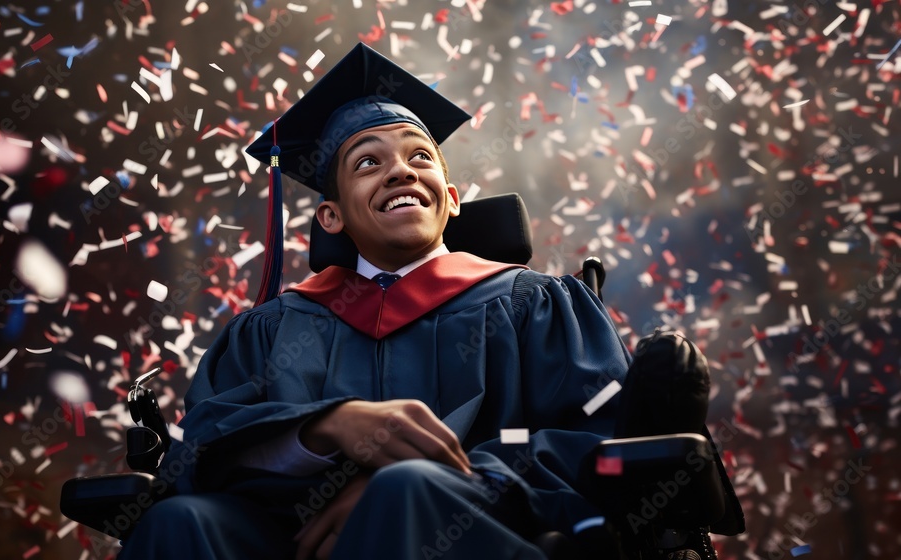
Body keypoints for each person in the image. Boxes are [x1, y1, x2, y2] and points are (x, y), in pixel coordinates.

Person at [117, 43, 731, 560]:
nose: (400, 172)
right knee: (177, 525)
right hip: (299, 537)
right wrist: (324, 431)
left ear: (453, 196)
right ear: (330, 215)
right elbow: (198, 455)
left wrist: (421, 485)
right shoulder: (272, 331)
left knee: (404, 492)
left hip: (489, 529)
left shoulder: (533, 305)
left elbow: (591, 441)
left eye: (420, 157)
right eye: (367, 163)